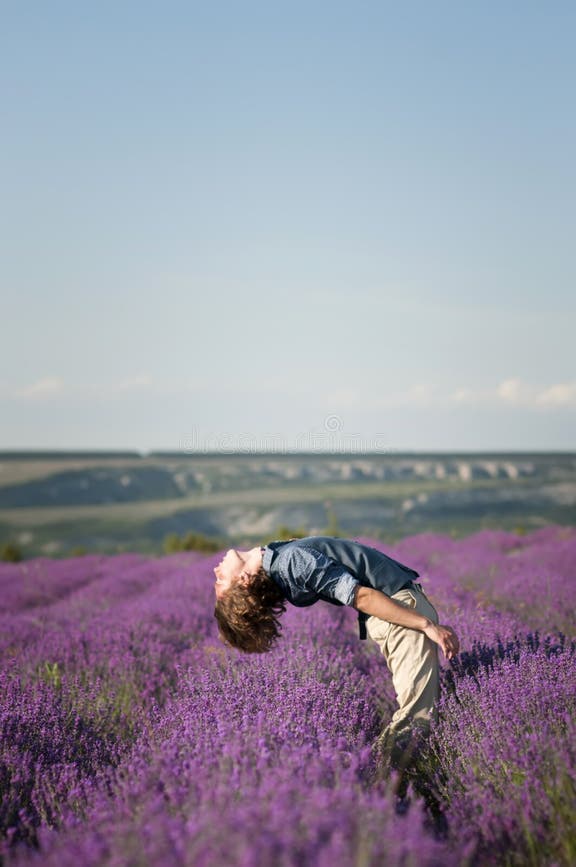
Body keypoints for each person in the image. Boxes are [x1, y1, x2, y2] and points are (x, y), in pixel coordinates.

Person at [213, 535, 459, 828]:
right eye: (219, 585)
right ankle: (367, 793)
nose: (214, 574)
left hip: (397, 614)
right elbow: (361, 596)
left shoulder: (275, 557)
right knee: (417, 715)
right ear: (243, 582)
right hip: (401, 615)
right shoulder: (291, 562)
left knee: (417, 708)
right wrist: (426, 624)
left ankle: (370, 788)